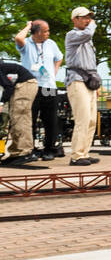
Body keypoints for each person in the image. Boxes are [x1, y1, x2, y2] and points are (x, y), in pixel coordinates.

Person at [13, 19, 63, 160]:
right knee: (31, 118)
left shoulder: (51, 44)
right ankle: (31, 148)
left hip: (49, 86)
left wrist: (54, 71)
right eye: (45, 30)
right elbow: (18, 38)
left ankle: (50, 149)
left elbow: (59, 57)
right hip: (32, 86)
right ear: (37, 32)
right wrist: (29, 26)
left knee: (50, 118)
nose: (48, 33)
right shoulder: (26, 44)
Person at [64, 7, 100, 166]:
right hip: (77, 79)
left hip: (89, 79)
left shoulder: (87, 38)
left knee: (92, 120)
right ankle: (76, 155)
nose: (88, 20)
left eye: (89, 17)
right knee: (82, 119)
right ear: (74, 19)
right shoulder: (72, 35)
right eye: (84, 17)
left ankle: (84, 152)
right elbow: (87, 34)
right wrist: (92, 25)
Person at [1, 59, 39, 165]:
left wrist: (1, 103)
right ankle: (16, 152)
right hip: (21, 85)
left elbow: (8, 87)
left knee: (21, 118)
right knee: (15, 119)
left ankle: (25, 151)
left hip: (25, 85)